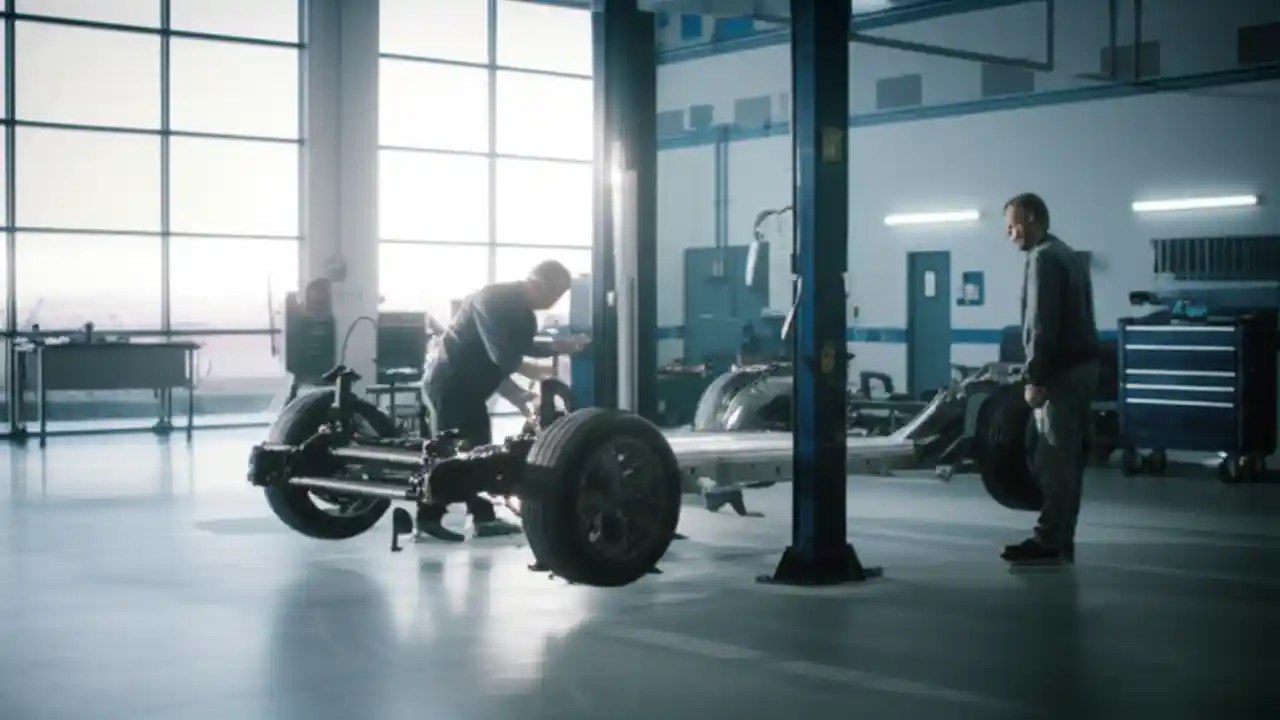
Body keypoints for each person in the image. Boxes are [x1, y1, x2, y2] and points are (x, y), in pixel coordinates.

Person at [415, 259, 588, 542]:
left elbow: (522, 346)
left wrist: (557, 347)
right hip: (449, 383)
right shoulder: (493, 300)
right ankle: (427, 519)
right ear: (535, 284)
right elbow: (503, 355)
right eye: (552, 295)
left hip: (472, 389)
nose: (553, 302)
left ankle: (484, 519)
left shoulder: (526, 314)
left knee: (481, 451)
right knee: (447, 449)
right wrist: (534, 373)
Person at [1002, 193, 1100, 565]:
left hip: (1060, 374)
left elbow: (1040, 324)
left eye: (1012, 226)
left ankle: (1047, 541)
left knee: (1053, 459)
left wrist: (1036, 377)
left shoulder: (1042, 258)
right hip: (1084, 369)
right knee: (1070, 459)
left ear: (1030, 218)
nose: (1009, 235)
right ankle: (1062, 537)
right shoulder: (1068, 254)